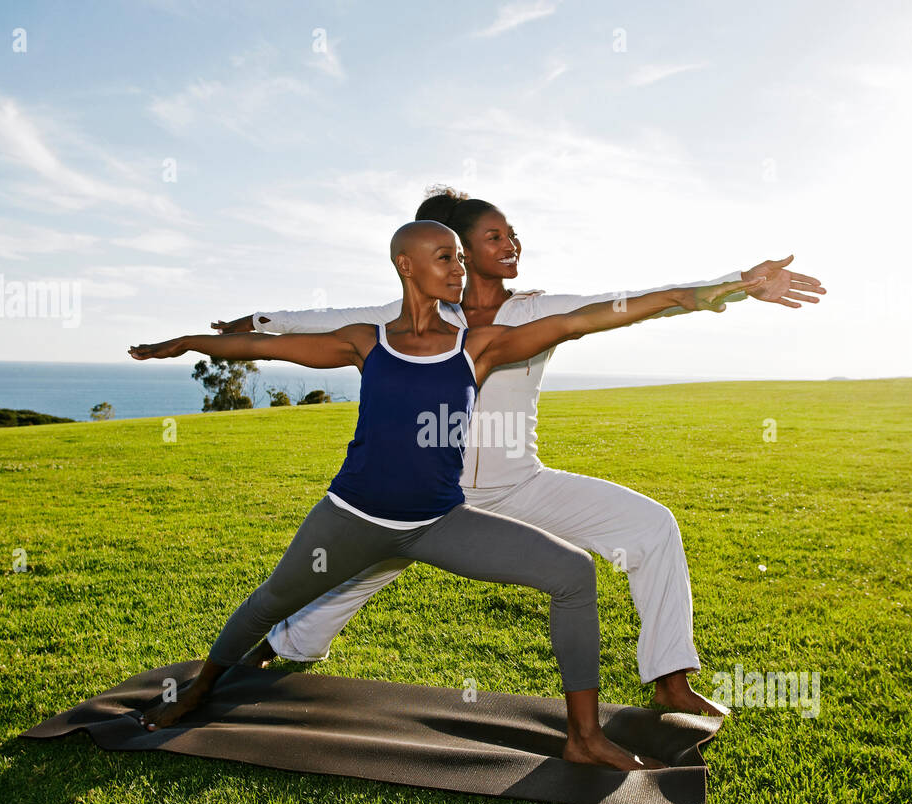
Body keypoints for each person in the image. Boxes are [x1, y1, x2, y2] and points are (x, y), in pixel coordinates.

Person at [128, 220, 765, 770]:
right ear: (407, 267)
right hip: (350, 520)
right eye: (446, 258)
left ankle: (584, 737)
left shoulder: (478, 347)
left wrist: (706, 291)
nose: (459, 268)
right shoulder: (365, 340)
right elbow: (265, 347)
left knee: (573, 573)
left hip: (437, 522)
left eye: (461, 258)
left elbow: (587, 319)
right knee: (272, 600)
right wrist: (188, 343)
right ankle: (198, 688)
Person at [210, 187, 826, 716]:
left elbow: (640, 303)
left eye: (513, 235)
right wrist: (256, 325)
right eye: (495, 236)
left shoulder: (538, 310)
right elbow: (323, 321)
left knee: (652, 527)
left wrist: (739, 287)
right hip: (428, 497)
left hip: (521, 485)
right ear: (459, 248)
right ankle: (279, 652)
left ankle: (671, 683)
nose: (512, 246)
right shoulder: (415, 317)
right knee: (348, 578)